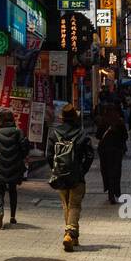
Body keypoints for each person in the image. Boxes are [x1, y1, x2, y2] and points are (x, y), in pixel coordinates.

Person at [46, 103, 94, 251]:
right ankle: (70, 233)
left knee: (66, 204)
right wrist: (82, 170)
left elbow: (48, 155)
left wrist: (55, 169)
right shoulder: (81, 134)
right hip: (76, 176)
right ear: (75, 118)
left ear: (62, 119)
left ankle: (74, 238)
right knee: (74, 205)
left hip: (60, 175)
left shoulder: (54, 134)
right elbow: (90, 155)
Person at [0, 108, 30, 228]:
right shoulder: (18, 132)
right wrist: (19, 157)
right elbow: (25, 148)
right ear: (12, 119)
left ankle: (0, 212)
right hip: (14, 166)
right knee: (13, 191)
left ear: (0, 120)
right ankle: (12, 216)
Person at [97, 106, 128, 203]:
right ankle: (115, 191)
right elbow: (125, 136)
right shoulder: (119, 122)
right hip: (117, 150)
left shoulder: (103, 121)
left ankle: (110, 193)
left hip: (105, 151)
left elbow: (98, 135)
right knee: (116, 171)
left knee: (106, 171)